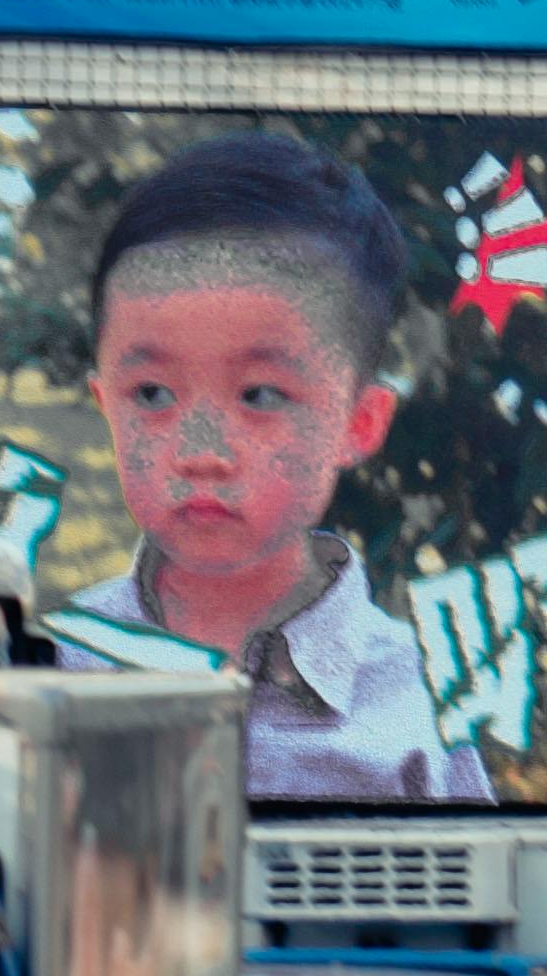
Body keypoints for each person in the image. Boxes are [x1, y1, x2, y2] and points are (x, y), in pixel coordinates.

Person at [73, 128, 467, 806]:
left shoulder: (421, 694)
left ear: (359, 422)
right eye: (152, 396)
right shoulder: (57, 667)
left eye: (259, 396)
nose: (200, 453)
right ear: (104, 404)